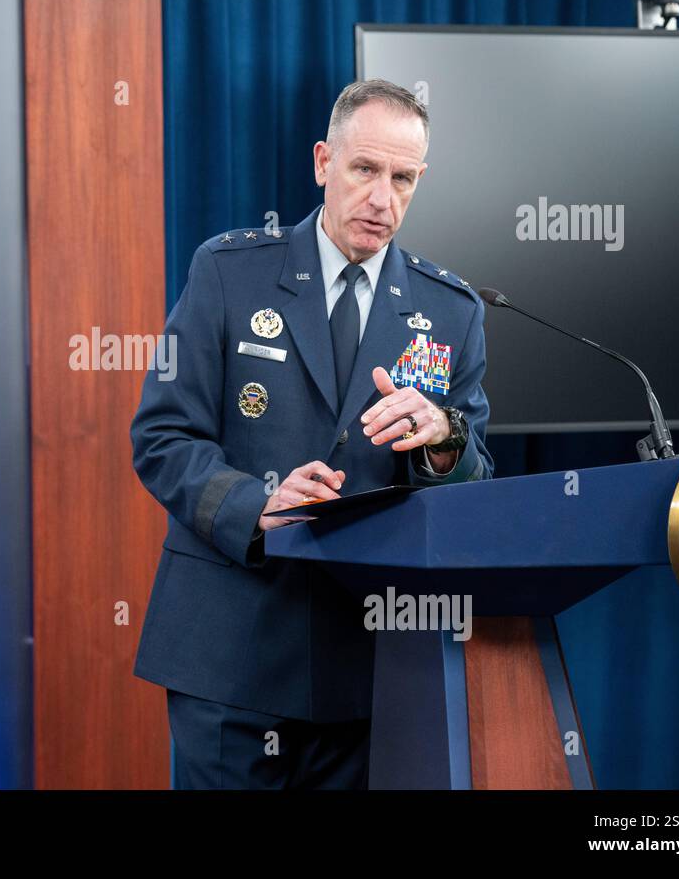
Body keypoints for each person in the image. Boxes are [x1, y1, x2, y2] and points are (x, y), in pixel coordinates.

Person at [130, 78, 493, 789]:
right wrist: (253, 505)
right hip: (230, 650)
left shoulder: (450, 310)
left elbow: (474, 472)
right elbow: (163, 436)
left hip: (367, 663)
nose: (383, 199)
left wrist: (442, 438)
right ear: (324, 162)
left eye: (403, 179)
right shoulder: (231, 273)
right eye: (365, 170)